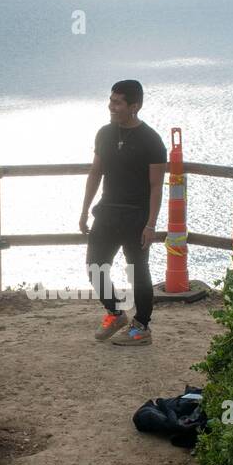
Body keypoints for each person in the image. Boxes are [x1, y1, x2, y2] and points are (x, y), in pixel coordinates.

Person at [79, 79, 166, 345]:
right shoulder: (104, 133)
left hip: (136, 216)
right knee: (95, 266)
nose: (111, 106)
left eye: (118, 102)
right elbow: (96, 173)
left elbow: (156, 186)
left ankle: (142, 326)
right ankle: (116, 312)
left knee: (138, 270)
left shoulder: (152, 140)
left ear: (134, 106)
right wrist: (84, 211)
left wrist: (150, 224)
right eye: (111, 100)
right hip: (106, 212)